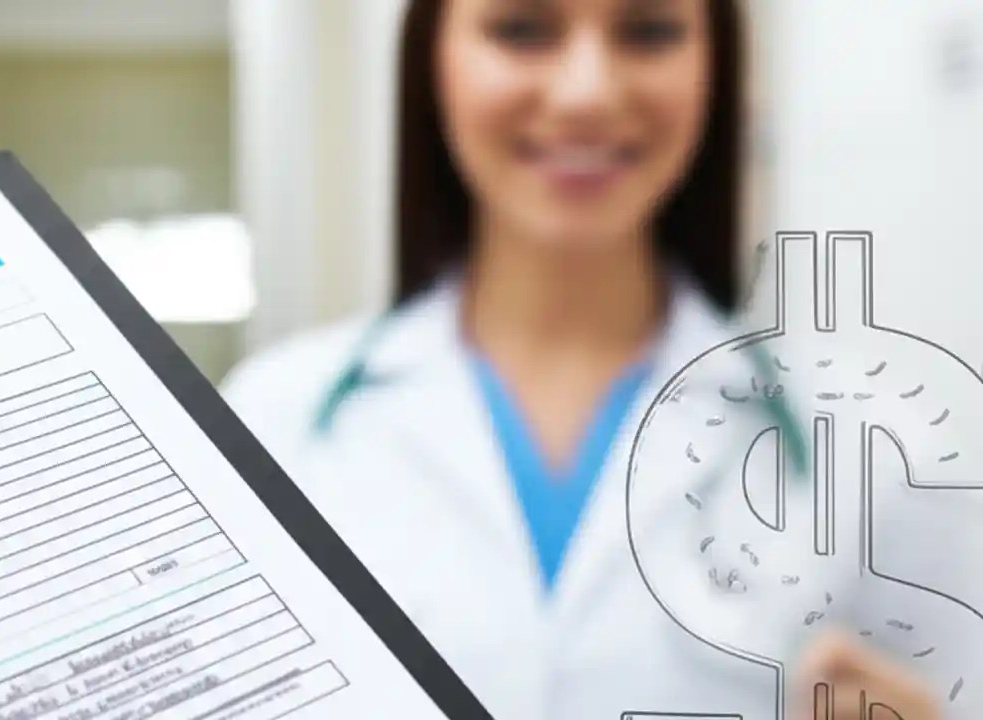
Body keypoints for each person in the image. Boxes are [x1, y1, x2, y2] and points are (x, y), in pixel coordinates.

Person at [221, 0, 966, 717]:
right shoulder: (273, 423)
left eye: (648, 32)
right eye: (520, 29)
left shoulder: (874, 451)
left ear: (718, 65)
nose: (587, 92)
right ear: (431, 62)